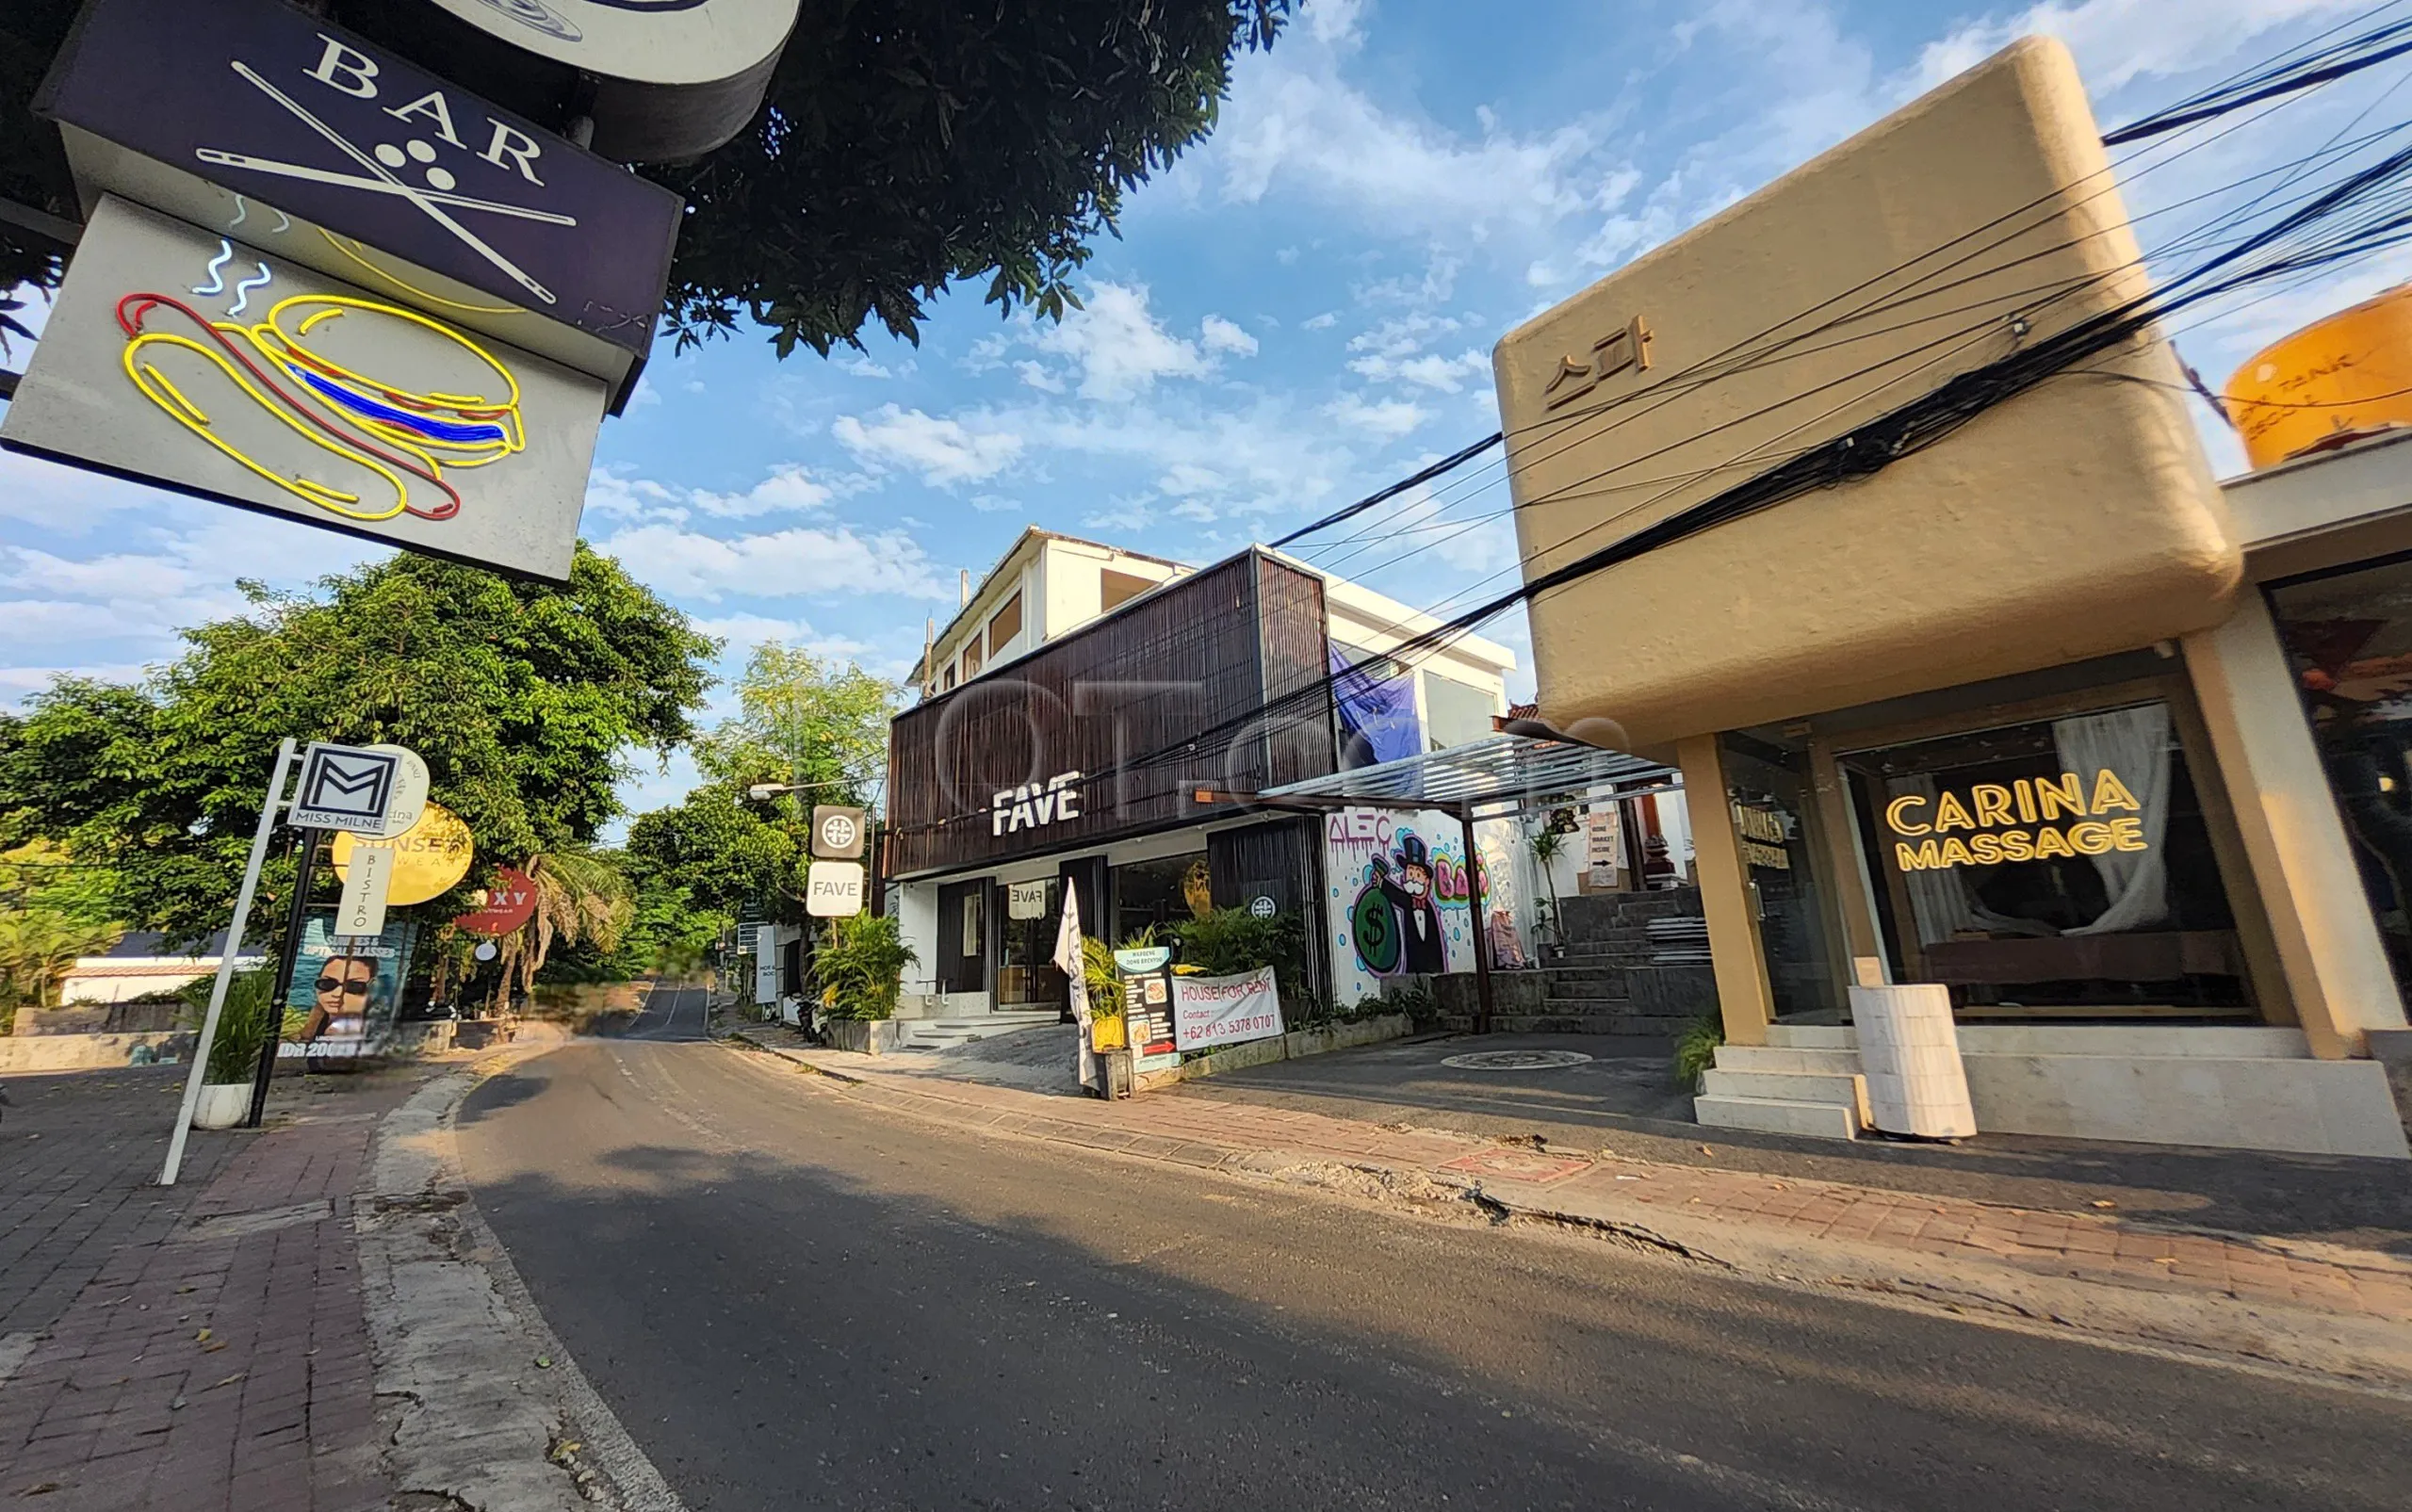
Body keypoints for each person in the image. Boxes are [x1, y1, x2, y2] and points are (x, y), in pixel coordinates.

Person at [303, 953, 377, 1043]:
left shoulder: (379, 1029)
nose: (337, 994)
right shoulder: (309, 1019)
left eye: (353, 986)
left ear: (373, 986)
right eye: (327, 984)